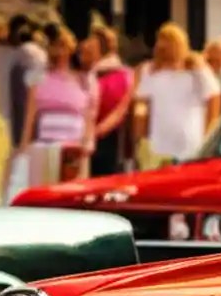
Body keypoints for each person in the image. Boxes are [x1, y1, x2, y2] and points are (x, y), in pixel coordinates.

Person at [134, 23, 221, 166]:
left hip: (189, 146)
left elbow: (215, 96)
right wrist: (140, 133)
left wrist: (209, 133)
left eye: (168, 41)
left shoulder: (196, 70)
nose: (162, 45)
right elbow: (142, 103)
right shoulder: (149, 71)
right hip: (158, 146)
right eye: (160, 40)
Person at [18, 27, 97, 182]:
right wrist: (24, 148)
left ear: (70, 48)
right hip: (45, 146)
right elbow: (30, 116)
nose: (58, 51)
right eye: (54, 45)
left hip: (74, 149)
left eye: (62, 45)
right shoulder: (38, 79)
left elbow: (89, 116)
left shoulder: (83, 80)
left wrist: (88, 143)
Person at [81, 27, 135, 177]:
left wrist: (95, 132)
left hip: (105, 144)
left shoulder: (103, 78)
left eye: (91, 47)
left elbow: (120, 112)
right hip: (104, 142)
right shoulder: (126, 75)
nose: (85, 47)